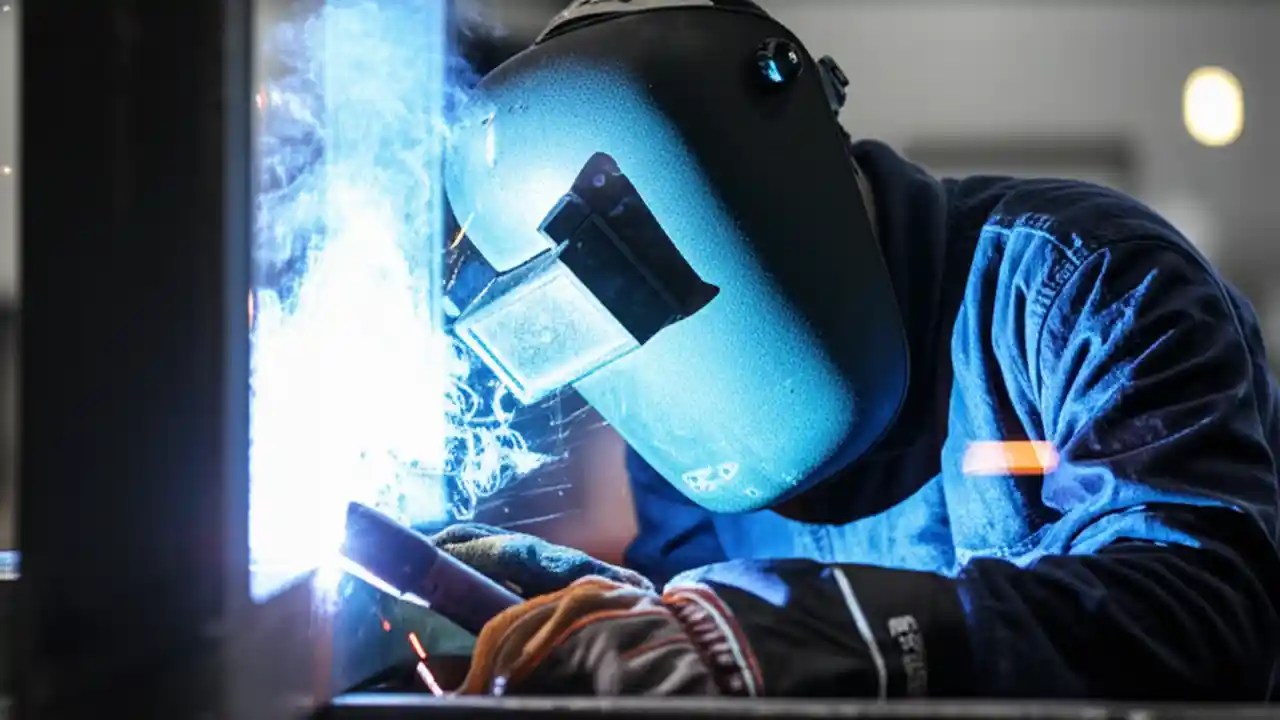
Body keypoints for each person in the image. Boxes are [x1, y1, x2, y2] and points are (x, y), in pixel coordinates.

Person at [435, 0, 1280, 701]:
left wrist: (811, 637)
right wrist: (629, 621)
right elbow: (721, 654)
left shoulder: (1076, 281)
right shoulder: (685, 427)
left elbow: (1207, 613)